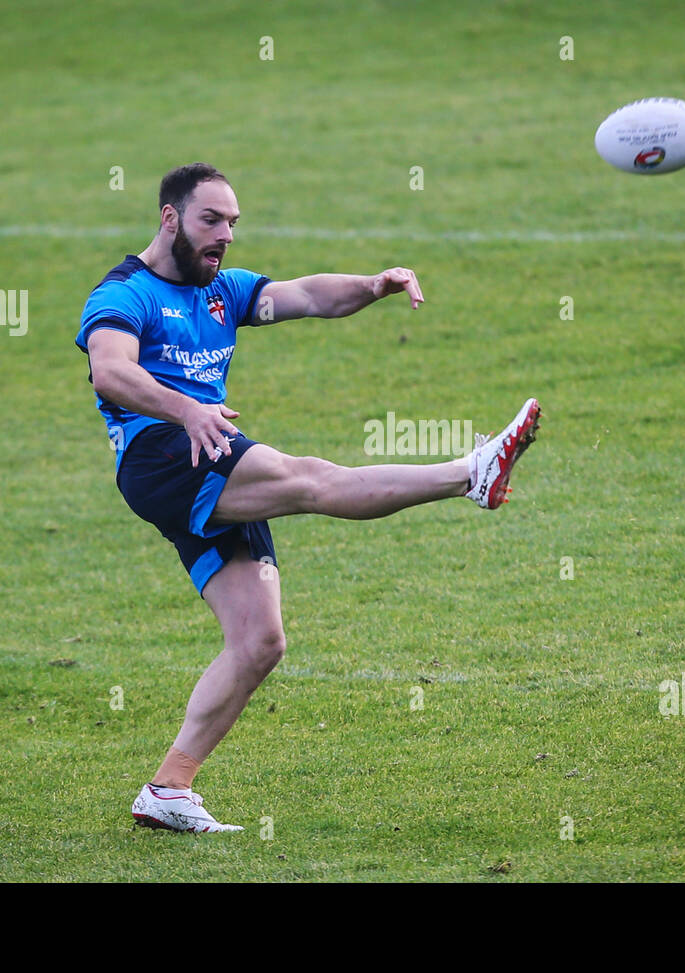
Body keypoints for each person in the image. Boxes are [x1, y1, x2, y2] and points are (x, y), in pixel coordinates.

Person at [76, 162, 541, 833]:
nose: (226, 235)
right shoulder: (124, 294)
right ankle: (471, 472)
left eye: (233, 223)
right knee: (309, 479)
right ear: (170, 217)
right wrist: (186, 411)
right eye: (212, 220)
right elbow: (110, 370)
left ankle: (169, 787)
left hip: (205, 450)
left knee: (260, 638)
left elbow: (306, 296)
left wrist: (373, 286)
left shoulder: (221, 292)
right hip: (163, 454)